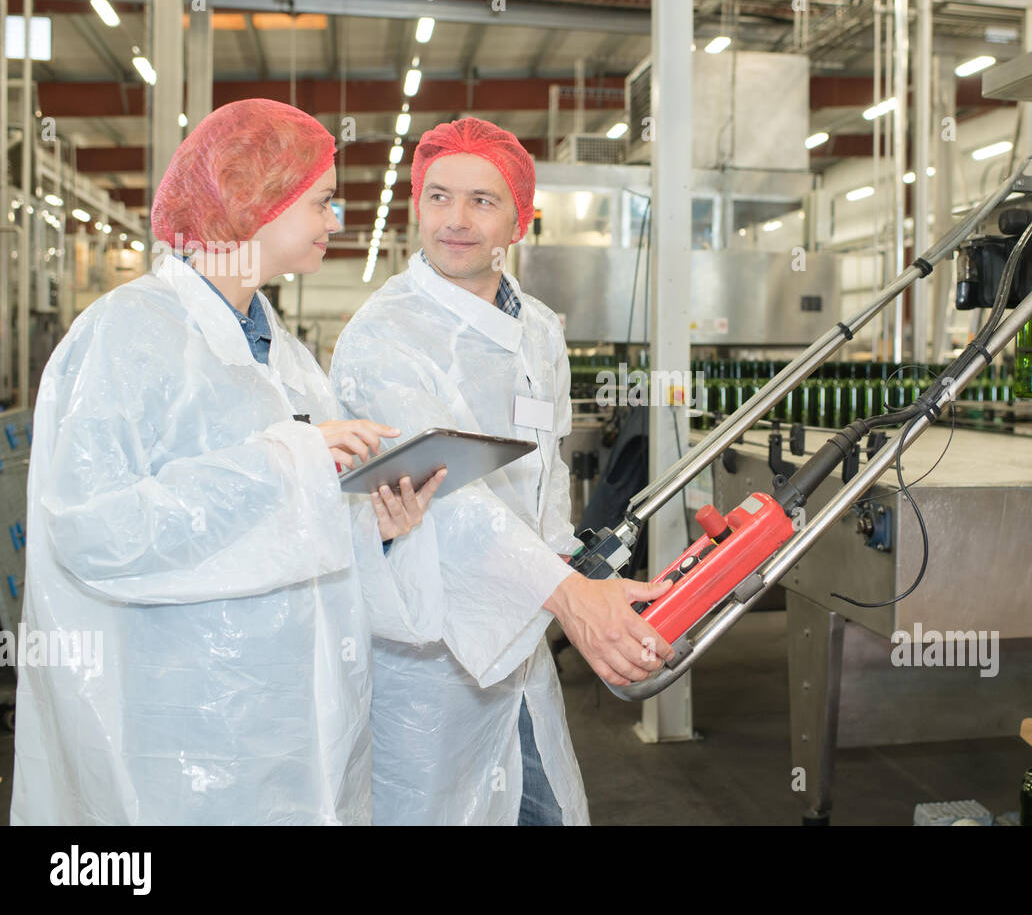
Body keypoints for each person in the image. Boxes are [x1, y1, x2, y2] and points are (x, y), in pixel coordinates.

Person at [11, 98, 441, 825]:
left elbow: (286, 529)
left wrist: (379, 527)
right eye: (322, 203)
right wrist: (283, 460)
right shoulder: (127, 335)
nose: (335, 223)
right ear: (253, 200)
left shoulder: (283, 351)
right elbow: (96, 532)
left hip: (295, 727)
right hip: (183, 735)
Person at [329, 117, 673, 826]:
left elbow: (542, 475)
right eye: (437, 197)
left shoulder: (540, 328)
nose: (455, 221)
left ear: (519, 218)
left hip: (522, 634)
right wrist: (571, 597)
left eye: (482, 201)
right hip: (429, 653)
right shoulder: (383, 335)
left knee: (537, 801)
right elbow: (448, 497)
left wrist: (578, 574)